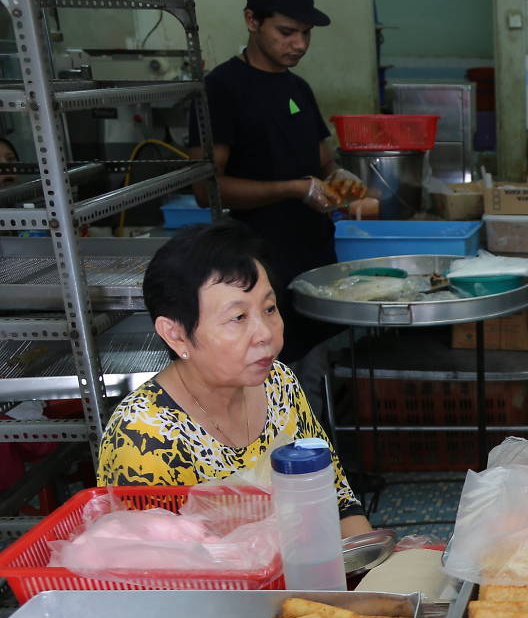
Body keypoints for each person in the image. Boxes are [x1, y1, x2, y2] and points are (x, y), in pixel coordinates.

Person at [97, 220, 371, 538]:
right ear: (176, 334)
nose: (265, 334)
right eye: (238, 318)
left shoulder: (278, 384)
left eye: (269, 309)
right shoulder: (144, 440)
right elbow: (152, 577)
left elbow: (338, 503)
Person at [188, 0, 360, 370]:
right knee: (274, 384)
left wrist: (345, 184)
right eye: (286, 32)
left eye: (306, 34)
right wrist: (295, 189)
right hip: (260, 270)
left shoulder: (298, 87)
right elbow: (206, 189)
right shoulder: (221, 89)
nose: (298, 44)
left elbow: (325, 164)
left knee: (316, 381)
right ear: (252, 20)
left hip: (314, 262)